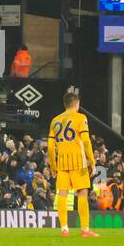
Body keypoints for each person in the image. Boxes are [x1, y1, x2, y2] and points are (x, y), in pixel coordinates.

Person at [47, 89, 98, 238]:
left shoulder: (55, 120)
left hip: (62, 162)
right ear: (76, 104)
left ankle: (64, 228)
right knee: (82, 193)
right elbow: (86, 141)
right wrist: (92, 161)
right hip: (78, 162)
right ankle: (85, 229)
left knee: (62, 194)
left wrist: (53, 166)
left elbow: (50, 147)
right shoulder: (80, 117)